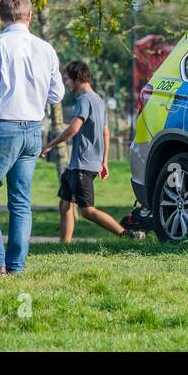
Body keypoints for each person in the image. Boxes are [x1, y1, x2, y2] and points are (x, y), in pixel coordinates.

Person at [0, 0, 63, 276]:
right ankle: (17, 266)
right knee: (21, 200)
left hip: (1, 127)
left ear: (1, 17)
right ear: (29, 16)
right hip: (33, 128)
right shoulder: (46, 49)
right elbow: (57, 93)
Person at [40, 60, 131, 241]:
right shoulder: (99, 100)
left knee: (87, 211)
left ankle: (126, 235)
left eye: (67, 79)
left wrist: (50, 145)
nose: (66, 83)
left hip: (82, 164)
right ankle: (64, 245)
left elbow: (74, 128)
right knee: (65, 205)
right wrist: (104, 161)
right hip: (78, 165)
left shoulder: (83, 100)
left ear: (76, 78)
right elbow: (106, 132)